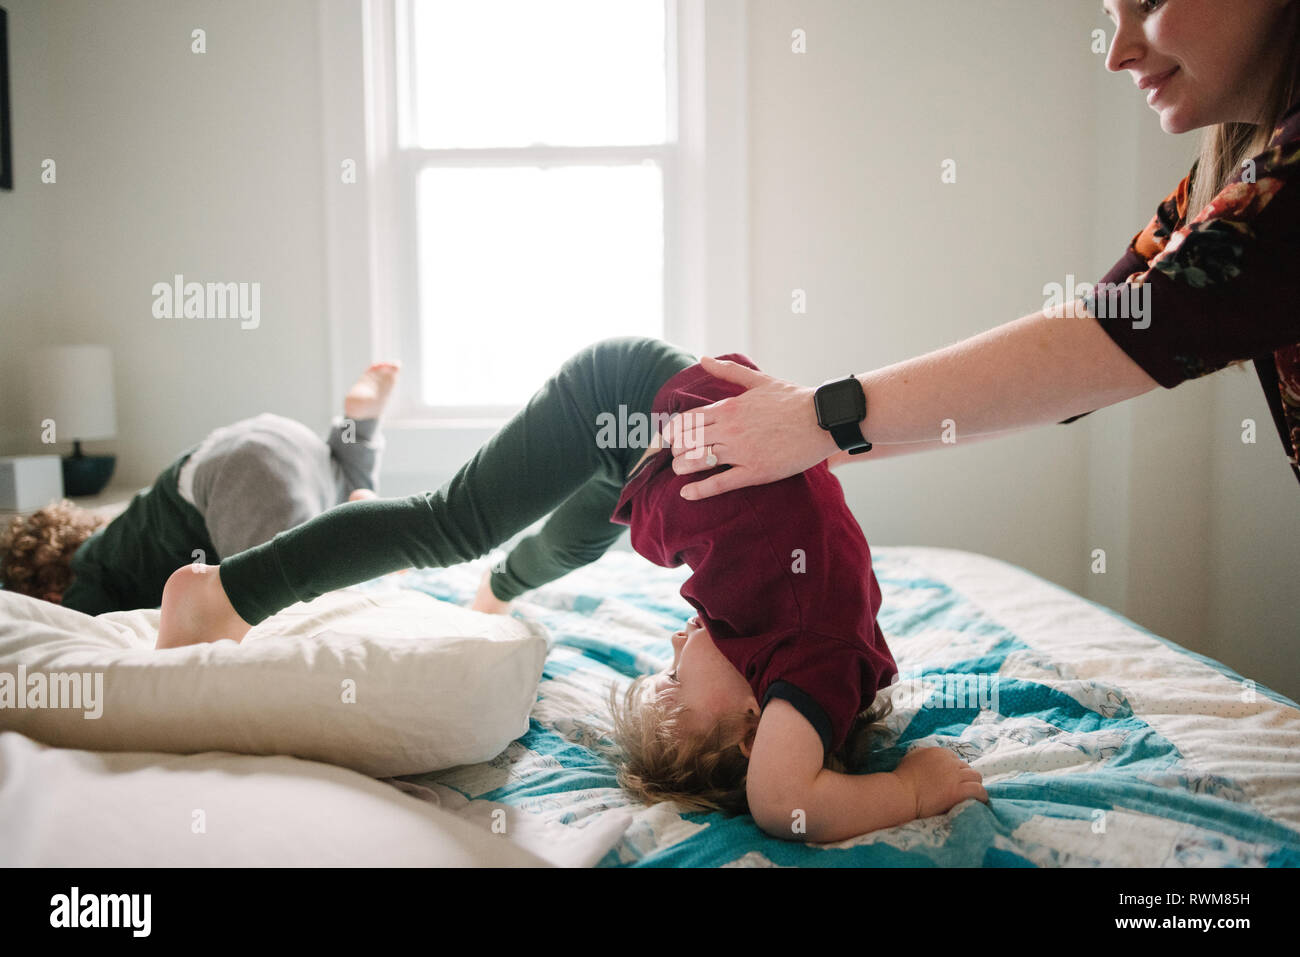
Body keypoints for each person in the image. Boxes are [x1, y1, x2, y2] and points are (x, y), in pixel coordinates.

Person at [154, 336, 988, 843]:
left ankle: (494, 593)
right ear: (751, 727)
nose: (668, 648)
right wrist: (912, 788)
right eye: (670, 683)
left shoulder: (790, 660)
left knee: (581, 538)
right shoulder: (815, 659)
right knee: (453, 520)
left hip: (649, 456)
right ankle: (222, 593)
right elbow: (783, 801)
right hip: (624, 400)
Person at [658, 0, 1300, 502]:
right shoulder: (1234, 180)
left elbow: (1130, 334)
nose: (1117, 53)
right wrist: (808, 437)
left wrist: (814, 419)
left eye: (1150, 3)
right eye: (1110, 19)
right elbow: (1088, 359)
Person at [0, 363, 400, 614]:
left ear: (49, 590)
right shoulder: (123, 530)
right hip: (279, 438)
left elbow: (79, 633)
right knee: (342, 484)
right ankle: (357, 428)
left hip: (232, 476)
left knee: (285, 595)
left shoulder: (91, 569)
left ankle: (361, 562)